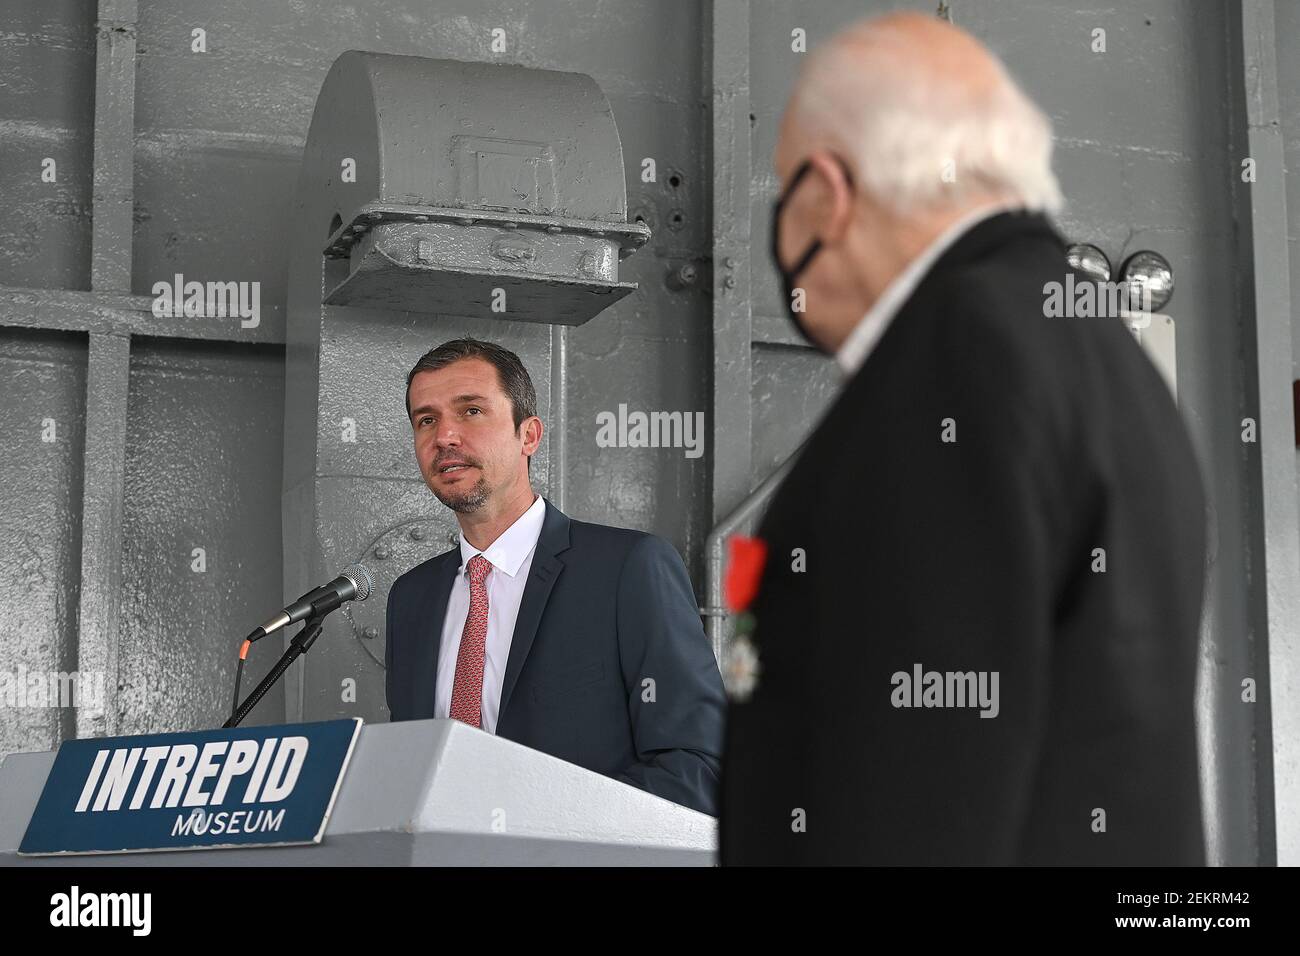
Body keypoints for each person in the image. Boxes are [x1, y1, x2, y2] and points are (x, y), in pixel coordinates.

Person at [720, 12, 1207, 863]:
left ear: (828, 193)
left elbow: (911, 779)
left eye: (785, 186)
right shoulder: (1110, 359)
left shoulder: (951, 354)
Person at [385, 338, 726, 816]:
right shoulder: (410, 597)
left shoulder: (629, 568)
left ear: (529, 435)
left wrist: (540, 825)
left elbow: (699, 766)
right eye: (426, 420)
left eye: (471, 411)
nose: (445, 436)